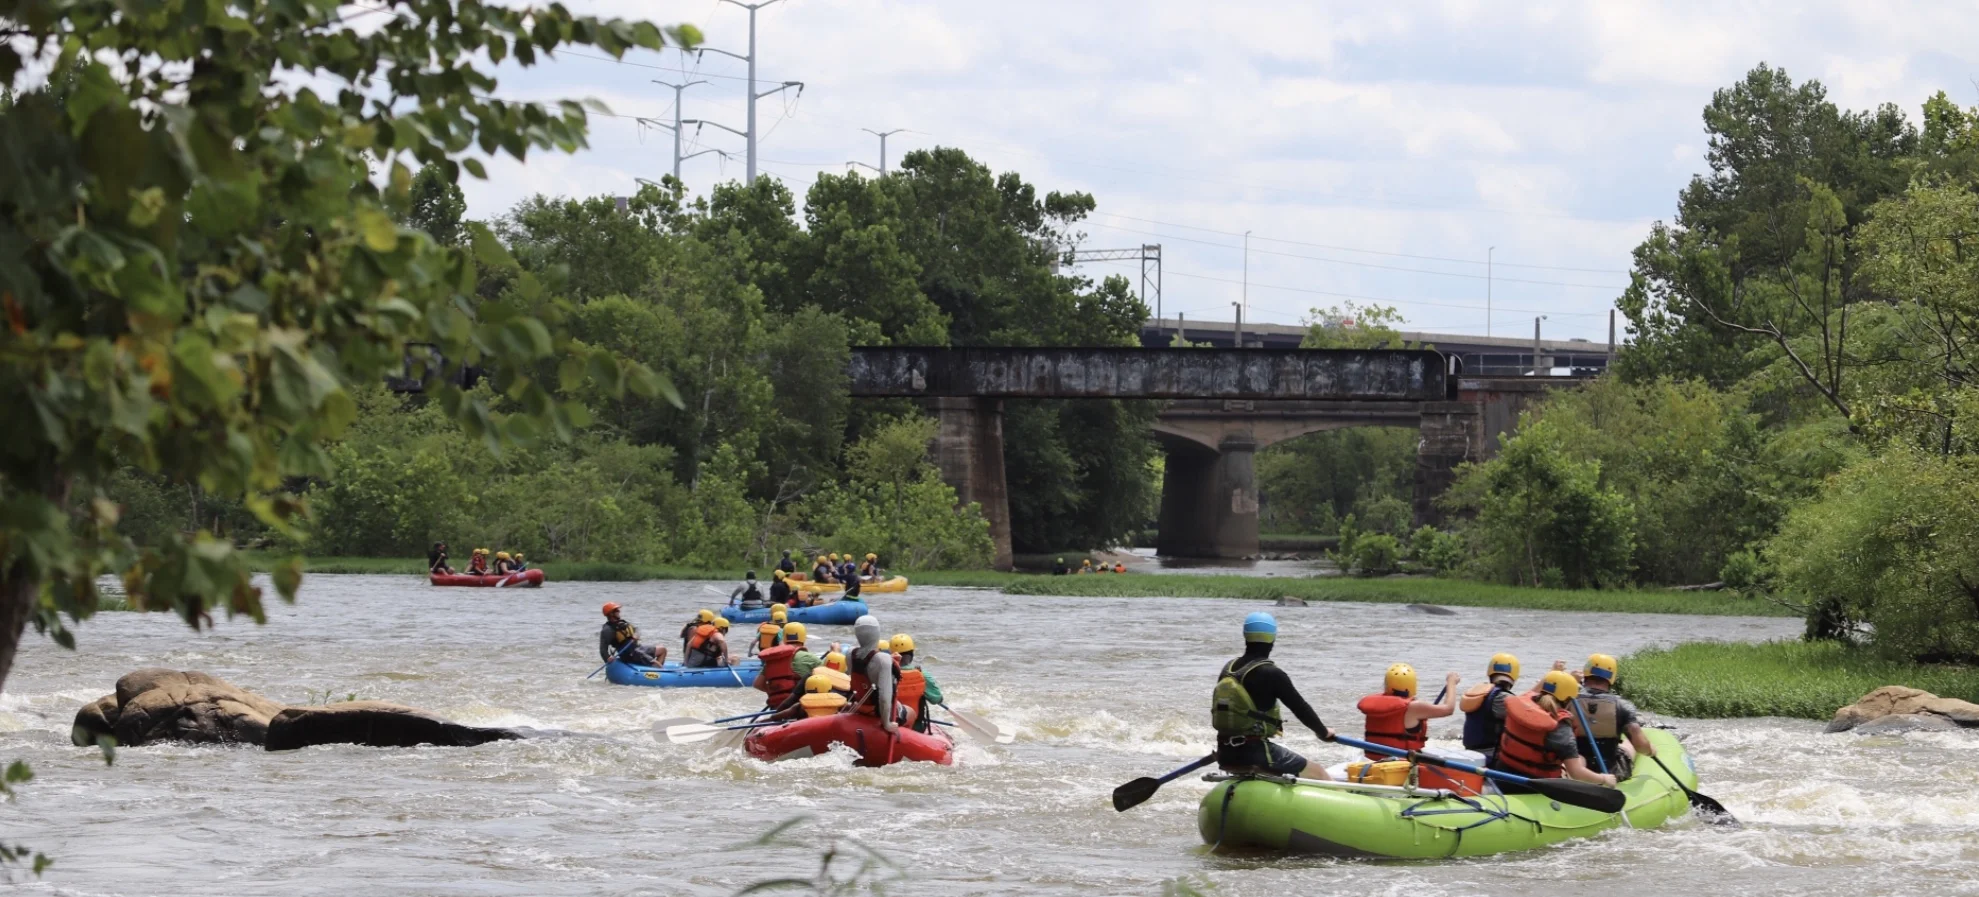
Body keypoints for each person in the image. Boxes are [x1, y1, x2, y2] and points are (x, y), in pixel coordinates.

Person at [1211, 612, 1335, 779]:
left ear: (1245, 635)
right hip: (1256, 753)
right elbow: (1300, 708)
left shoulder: (1228, 670)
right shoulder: (1272, 673)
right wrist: (1323, 732)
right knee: (1318, 772)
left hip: (1225, 752)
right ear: (1272, 638)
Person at [1491, 671, 1617, 788]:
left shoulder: (1520, 706)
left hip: (1502, 777)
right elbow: (1576, 773)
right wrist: (1603, 779)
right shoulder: (1560, 727)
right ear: (1568, 700)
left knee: (1578, 758)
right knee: (1578, 761)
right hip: (1534, 787)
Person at [1573, 654, 1655, 780]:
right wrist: (1651, 751)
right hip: (1610, 770)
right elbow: (1640, 746)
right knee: (1628, 744)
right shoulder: (1623, 705)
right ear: (1612, 678)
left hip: (1573, 766)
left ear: (1586, 673)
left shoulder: (1569, 699)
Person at [1356, 663, 1460, 761]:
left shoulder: (1376, 705)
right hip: (1401, 765)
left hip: (1371, 761)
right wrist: (1451, 682)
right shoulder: (1414, 707)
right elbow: (1448, 709)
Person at [844, 614, 902, 734]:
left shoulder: (850, 653)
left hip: (859, 705)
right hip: (876, 711)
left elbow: (863, 668)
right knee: (910, 712)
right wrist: (886, 724)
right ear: (877, 634)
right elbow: (884, 698)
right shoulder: (883, 660)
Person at [1460, 653, 1521, 760]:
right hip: (1491, 755)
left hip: (1471, 752)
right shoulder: (1501, 697)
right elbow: (1527, 712)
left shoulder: (1481, 691)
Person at [892, 633, 943, 733]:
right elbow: (937, 699)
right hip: (915, 729)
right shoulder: (922, 675)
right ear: (911, 654)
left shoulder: (885, 674)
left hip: (891, 725)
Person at [598, 603, 663, 666]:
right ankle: (656, 671)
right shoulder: (608, 630)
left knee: (663, 650)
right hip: (629, 654)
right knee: (656, 664)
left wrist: (636, 634)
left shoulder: (622, 623)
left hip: (637, 648)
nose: (619, 611)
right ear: (611, 614)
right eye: (617, 610)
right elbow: (602, 649)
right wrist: (607, 658)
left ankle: (656, 672)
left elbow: (636, 629)